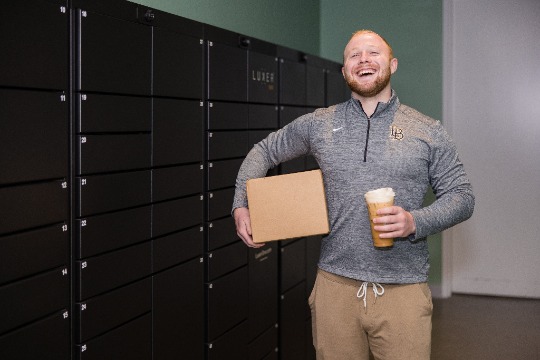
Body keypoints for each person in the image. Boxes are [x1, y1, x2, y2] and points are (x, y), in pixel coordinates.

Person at [232, 29, 474, 360]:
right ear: (345, 70)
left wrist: (414, 221)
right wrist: (241, 205)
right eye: (353, 55)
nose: (363, 60)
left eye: (373, 53)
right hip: (335, 289)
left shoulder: (427, 130)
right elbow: (264, 150)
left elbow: (462, 197)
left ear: (392, 64)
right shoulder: (319, 123)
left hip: (403, 291)